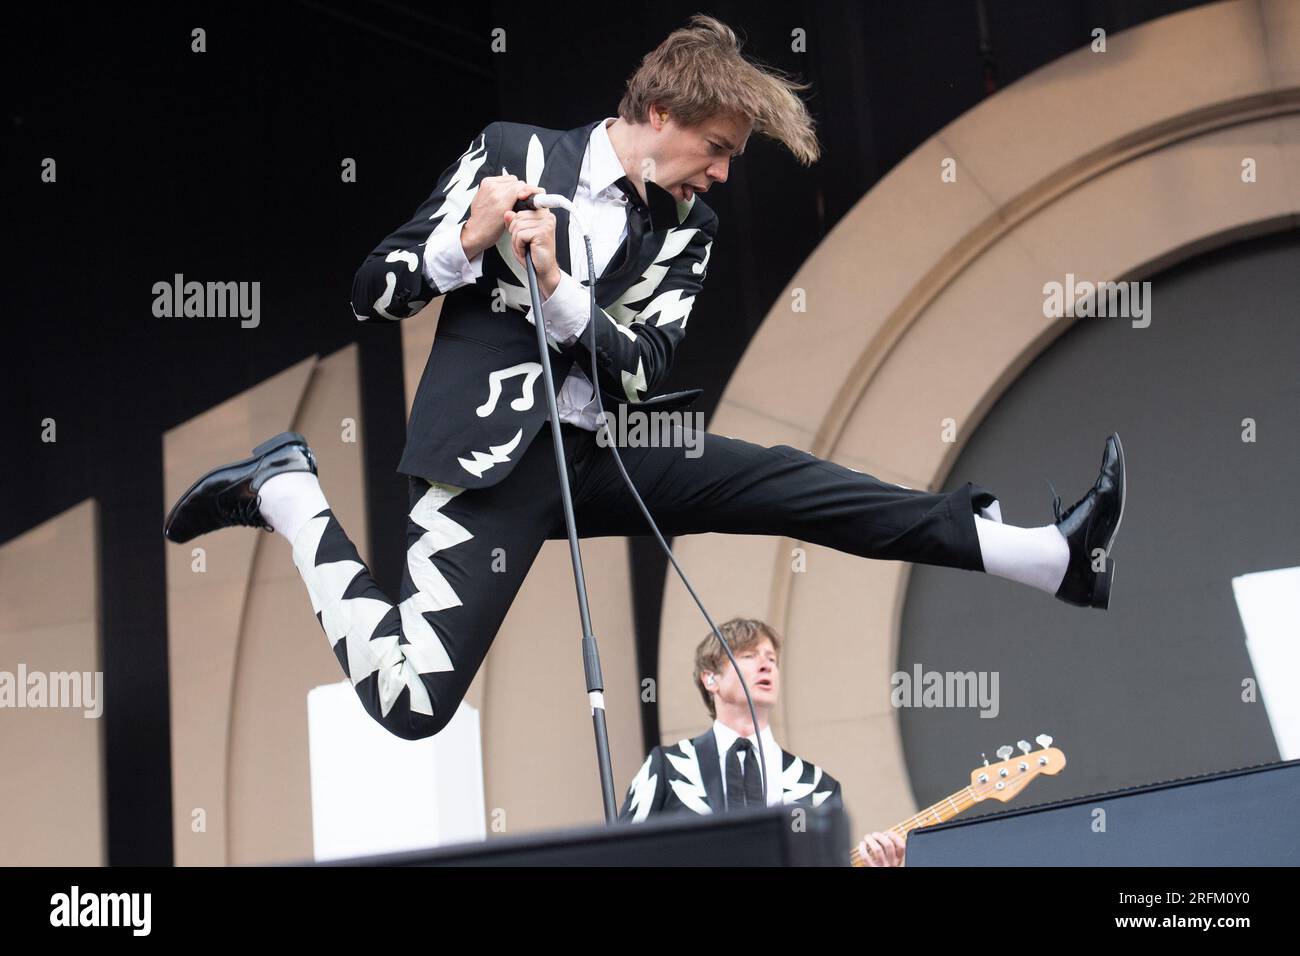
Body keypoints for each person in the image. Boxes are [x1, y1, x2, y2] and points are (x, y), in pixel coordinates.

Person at [163, 15, 1125, 743]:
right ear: (658, 114)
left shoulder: (688, 232)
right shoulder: (512, 154)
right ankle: (288, 492)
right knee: (413, 703)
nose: (720, 176)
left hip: (611, 451)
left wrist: (556, 287)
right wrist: (468, 240)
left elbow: (641, 370)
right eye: (717, 151)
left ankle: (1042, 557)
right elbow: (372, 293)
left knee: (793, 486)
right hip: (488, 466)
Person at [618, 618, 906, 866]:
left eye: (772, 659)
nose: (766, 665)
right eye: (749, 656)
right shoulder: (667, 766)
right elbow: (621, 855)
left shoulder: (818, 786)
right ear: (710, 679)